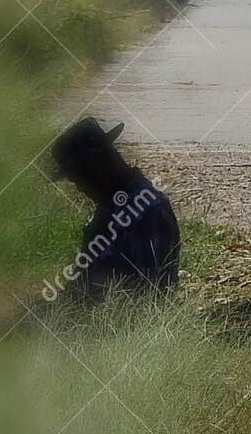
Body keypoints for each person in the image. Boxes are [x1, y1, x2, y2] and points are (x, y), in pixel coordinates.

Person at [48, 117, 180, 299]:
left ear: (98, 167)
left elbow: (148, 297)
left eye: (80, 178)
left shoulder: (148, 213)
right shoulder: (112, 205)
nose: (80, 188)